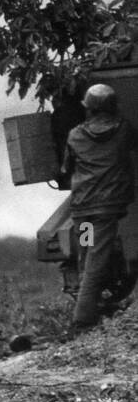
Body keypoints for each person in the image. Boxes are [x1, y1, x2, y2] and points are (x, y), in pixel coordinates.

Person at [61, 83, 138, 331]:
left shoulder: (75, 134)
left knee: (86, 256)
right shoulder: (123, 130)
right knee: (96, 262)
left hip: (82, 210)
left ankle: (94, 308)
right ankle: (82, 320)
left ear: (89, 109)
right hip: (105, 209)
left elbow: (65, 168)